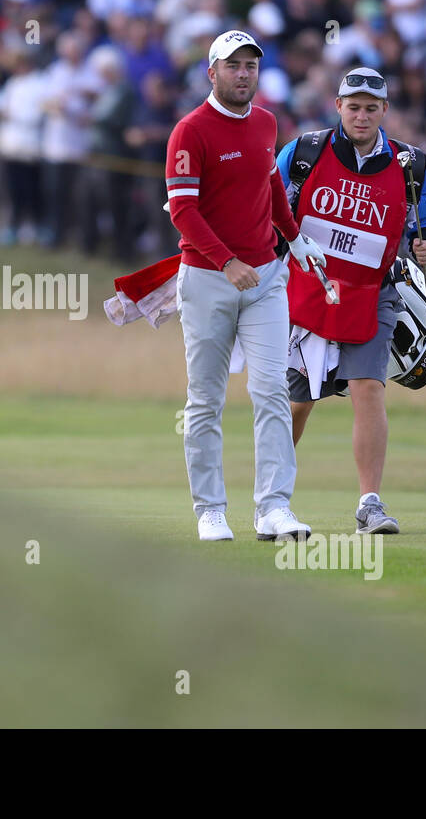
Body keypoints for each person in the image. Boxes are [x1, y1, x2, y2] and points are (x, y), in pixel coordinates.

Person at [168, 30, 325, 542]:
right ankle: (210, 509)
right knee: (205, 400)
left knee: (273, 391)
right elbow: (184, 211)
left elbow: (270, 183)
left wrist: (295, 239)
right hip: (207, 280)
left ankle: (273, 508)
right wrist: (226, 260)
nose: (243, 74)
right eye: (232, 65)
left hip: (265, 278)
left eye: (250, 66)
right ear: (212, 72)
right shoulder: (190, 131)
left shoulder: (265, 122)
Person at [274, 67, 426, 534]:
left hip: (374, 293)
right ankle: (272, 497)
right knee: (299, 400)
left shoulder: (410, 163)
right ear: (339, 108)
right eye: (354, 107)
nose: (362, 116)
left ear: (385, 110)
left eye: (371, 108)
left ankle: (370, 504)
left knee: (368, 386)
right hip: (307, 294)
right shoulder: (305, 152)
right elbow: (271, 205)